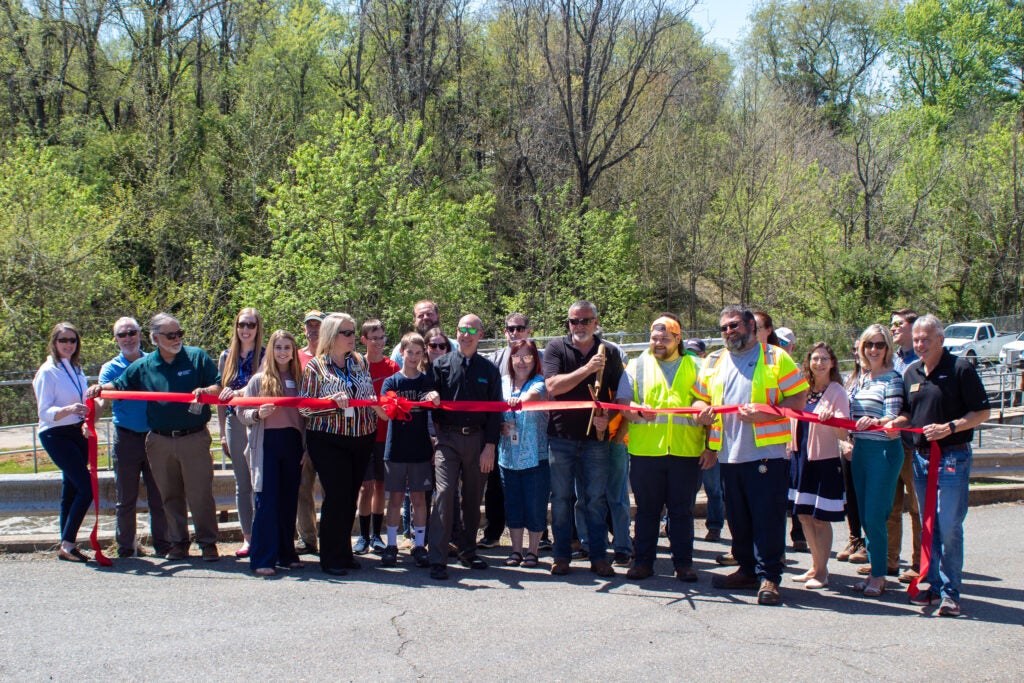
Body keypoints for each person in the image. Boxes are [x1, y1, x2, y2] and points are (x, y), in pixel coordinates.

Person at [693, 305, 808, 606]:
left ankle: (769, 576)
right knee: (739, 517)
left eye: (735, 326)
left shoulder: (775, 357)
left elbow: (798, 397)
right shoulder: (715, 360)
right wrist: (699, 413)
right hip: (729, 454)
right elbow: (698, 398)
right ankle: (746, 570)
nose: (729, 332)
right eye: (724, 328)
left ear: (751, 327)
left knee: (767, 517)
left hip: (765, 455)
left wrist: (767, 415)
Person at [89, 313, 222, 561]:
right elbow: (118, 385)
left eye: (179, 333)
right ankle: (179, 543)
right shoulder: (145, 365)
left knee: (200, 494)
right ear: (155, 338)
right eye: (170, 335)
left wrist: (206, 392)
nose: (177, 339)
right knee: (169, 495)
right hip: (159, 440)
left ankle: (207, 544)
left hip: (193, 437)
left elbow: (218, 386)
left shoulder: (196, 357)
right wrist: (99, 389)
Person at [895, 314, 990, 617]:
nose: (920, 344)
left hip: (953, 457)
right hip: (921, 459)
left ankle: (951, 593)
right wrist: (892, 424)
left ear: (941, 340)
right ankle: (932, 585)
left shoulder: (961, 369)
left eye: (926, 339)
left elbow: (982, 412)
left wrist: (950, 427)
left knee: (949, 526)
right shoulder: (911, 373)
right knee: (929, 524)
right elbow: (907, 415)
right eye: (917, 339)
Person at [617, 317, 707, 582]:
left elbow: (708, 401)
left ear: (678, 339)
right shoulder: (635, 365)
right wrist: (637, 412)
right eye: (654, 338)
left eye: (664, 339)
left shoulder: (698, 366)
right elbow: (623, 403)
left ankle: (684, 564)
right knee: (646, 511)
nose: (658, 343)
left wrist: (703, 412)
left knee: (681, 511)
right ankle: (643, 562)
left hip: (686, 451)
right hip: (647, 452)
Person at [299, 313, 386, 576]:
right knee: (336, 497)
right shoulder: (316, 367)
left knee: (349, 498)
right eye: (346, 333)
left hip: (362, 437)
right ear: (332, 335)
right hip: (329, 440)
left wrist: (371, 401)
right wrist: (329, 405)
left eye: (352, 332)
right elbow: (304, 408)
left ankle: (344, 553)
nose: (352, 338)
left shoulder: (359, 362)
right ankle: (331, 557)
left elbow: (366, 392)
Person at [543, 300, 623, 578]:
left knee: (595, 499)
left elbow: (620, 397)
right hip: (561, 437)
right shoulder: (555, 348)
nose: (579, 326)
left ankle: (599, 556)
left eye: (585, 321)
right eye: (574, 321)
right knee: (562, 498)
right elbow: (552, 386)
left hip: (595, 439)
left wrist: (609, 419)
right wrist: (588, 369)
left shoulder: (610, 352)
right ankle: (561, 555)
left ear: (596, 322)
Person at [426, 314, 502, 580]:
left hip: (478, 441)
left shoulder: (489, 370)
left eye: (472, 330)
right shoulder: (441, 365)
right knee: (445, 494)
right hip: (447, 440)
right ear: (455, 333)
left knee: (472, 498)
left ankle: (468, 551)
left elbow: (496, 412)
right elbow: (429, 397)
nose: (466, 334)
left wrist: (490, 446)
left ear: (480, 334)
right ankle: (437, 557)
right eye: (461, 329)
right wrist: (431, 395)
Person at [95, 317, 171, 558]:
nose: (128, 338)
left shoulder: (155, 361)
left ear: (140, 334)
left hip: (155, 437)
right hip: (126, 438)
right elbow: (101, 400)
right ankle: (127, 548)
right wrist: (89, 419)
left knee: (159, 497)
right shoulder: (109, 368)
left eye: (131, 332)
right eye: (122, 334)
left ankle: (164, 545)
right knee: (126, 498)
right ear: (116, 339)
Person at [238, 330, 306, 576]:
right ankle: (262, 558)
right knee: (266, 502)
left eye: (287, 347)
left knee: (288, 501)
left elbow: (305, 419)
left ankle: (286, 553)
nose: (283, 352)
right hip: (267, 444)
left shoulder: (300, 380)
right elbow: (241, 413)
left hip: (293, 443)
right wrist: (257, 414)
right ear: (270, 350)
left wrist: (305, 449)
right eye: (278, 347)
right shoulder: (258, 381)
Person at [848, 324, 904, 598]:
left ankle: (880, 574)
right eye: (869, 344)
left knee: (875, 515)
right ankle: (874, 569)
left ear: (887, 348)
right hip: (860, 451)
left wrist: (877, 421)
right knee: (865, 519)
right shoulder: (859, 378)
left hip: (884, 452)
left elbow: (892, 415)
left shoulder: (892, 378)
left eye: (879, 345)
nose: (873, 350)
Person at [788, 342, 849, 589]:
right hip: (799, 458)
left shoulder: (837, 392)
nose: (819, 363)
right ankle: (814, 565)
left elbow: (843, 433)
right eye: (815, 358)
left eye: (824, 359)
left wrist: (832, 421)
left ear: (832, 363)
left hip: (823, 461)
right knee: (803, 516)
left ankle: (823, 571)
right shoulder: (803, 389)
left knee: (820, 518)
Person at [478, 312, 539, 550]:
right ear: (505, 332)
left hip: (532, 435)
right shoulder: (494, 359)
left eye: (520, 328)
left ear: (528, 331)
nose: (515, 333)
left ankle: (539, 537)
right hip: (501, 432)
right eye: (511, 329)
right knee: (496, 487)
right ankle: (493, 532)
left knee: (534, 489)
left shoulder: (538, 356)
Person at [379, 333, 440, 568]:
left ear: (422, 354)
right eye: (409, 352)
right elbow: (385, 412)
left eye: (418, 353)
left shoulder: (426, 381)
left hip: (420, 449)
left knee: (419, 500)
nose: (413, 357)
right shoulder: (392, 382)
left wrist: (434, 397)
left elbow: (433, 408)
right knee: (395, 499)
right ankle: (392, 545)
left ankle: (419, 545)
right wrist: (377, 404)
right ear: (401, 352)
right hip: (395, 449)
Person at [33, 322, 93, 563]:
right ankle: (68, 543)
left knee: (71, 489)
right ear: (54, 342)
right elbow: (44, 411)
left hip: (76, 431)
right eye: (63, 340)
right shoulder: (48, 371)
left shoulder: (76, 368)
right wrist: (68, 409)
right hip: (55, 433)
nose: (69, 345)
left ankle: (67, 544)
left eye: (73, 340)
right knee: (86, 488)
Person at [217, 307, 265, 558]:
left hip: (258, 420)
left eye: (251, 325)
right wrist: (222, 433)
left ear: (258, 328)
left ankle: (263, 533)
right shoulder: (227, 356)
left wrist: (237, 393)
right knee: (242, 483)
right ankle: (248, 537)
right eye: (241, 325)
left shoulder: (267, 355)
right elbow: (220, 393)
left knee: (260, 481)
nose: (246, 330)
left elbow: (260, 384)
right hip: (233, 421)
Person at [498, 340, 549, 569]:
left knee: (535, 505)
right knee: (513, 505)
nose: (521, 361)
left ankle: (533, 551)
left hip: (535, 457)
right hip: (507, 458)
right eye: (517, 356)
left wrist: (518, 401)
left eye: (527, 357)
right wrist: (501, 426)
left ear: (535, 360)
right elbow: (495, 414)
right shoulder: (501, 383)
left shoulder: (539, 382)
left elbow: (533, 397)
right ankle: (516, 550)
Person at [354, 319, 399, 555]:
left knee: (380, 485)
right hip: (361, 434)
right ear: (364, 340)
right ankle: (361, 535)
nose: (379, 342)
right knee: (365, 486)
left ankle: (376, 535)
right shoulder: (355, 366)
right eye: (374, 338)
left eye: (382, 337)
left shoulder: (392, 368)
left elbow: (396, 404)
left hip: (384, 435)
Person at [887, 308, 922, 584]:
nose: (894, 328)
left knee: (917, 507)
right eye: (892, 325)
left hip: (914, 445)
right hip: (889, 443)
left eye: (899, 324)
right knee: (891, 505)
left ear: (914, 327)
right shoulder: (892, 360)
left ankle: (920, 562)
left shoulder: (922, 361)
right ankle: (889, 560)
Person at [837, 340, 869, 565]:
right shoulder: (851, 380)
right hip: (849, 445)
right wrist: (844, 442)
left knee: (870, 498)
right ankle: (855, 538)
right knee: (851, 496)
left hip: (871, 446)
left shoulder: (884, 377)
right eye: (856, 350)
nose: (859, 354)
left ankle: (870, 544)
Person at [296, 309, 324, 555]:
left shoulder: (334, 357)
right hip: (300, 430)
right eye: (310, 326)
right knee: (302, 488)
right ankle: (307, 538)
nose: (313, 330)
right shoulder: (294, 357)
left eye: (318, 325)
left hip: (327, 431)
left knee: (331, 489)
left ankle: (330, 538)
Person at [391, 300, 441, 367]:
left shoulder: (454, 346)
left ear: (438, 316)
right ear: (414, 321)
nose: (425, 317)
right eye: (420, 316)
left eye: (429, 314)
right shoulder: (401, 351)